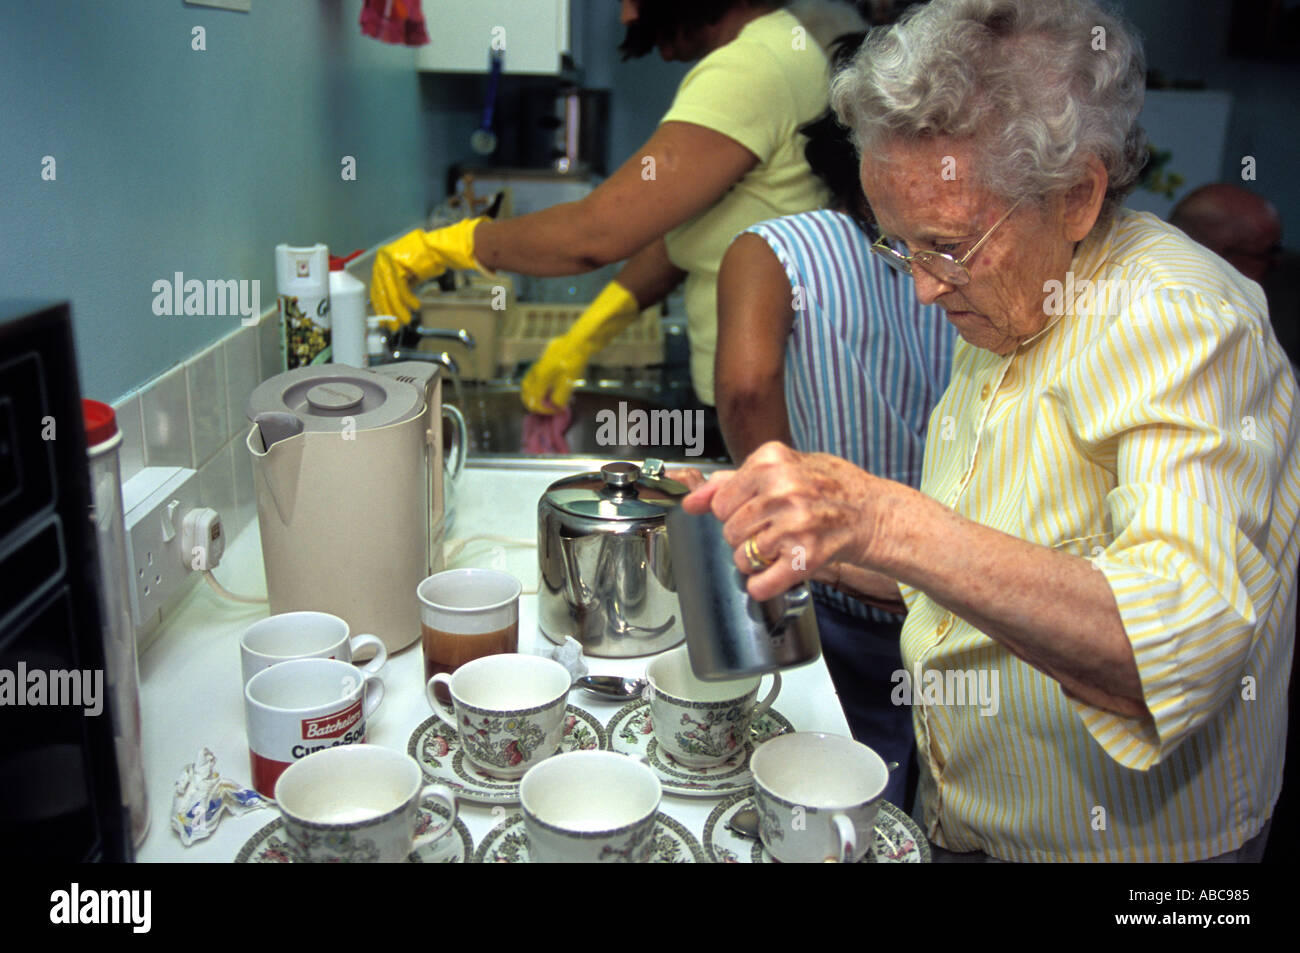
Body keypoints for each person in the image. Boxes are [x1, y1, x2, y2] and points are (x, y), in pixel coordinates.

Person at [684, 0, 1300, 862]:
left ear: (1078, 194)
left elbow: (1174, 644)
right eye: (899, 247)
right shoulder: (1012, 297)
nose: (925, 290)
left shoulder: (1183, 319)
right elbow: (975, 577)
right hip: (970, 822)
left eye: (946, 246)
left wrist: (886, 517)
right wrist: (806, 534)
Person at [370, 0, 866, 415]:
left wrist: (449, 244)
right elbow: (687, 235)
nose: (628, 15)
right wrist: (586, 335)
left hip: (763, 400)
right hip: (776, 390)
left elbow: (595, 233)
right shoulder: (780, 46)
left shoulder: (751, 66)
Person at [713, 35, 957, 808]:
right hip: (953, 593)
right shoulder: (967, 256)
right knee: (924, 786)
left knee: (820, 780)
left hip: (831, 593)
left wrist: (783, 526)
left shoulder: (775, 248)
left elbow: (748, 388)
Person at [1170, 183, 1299, 368]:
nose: (1277, 263)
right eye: (1267, 252)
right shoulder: (1151, 302)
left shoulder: (1284, 295)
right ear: (1217, 255)